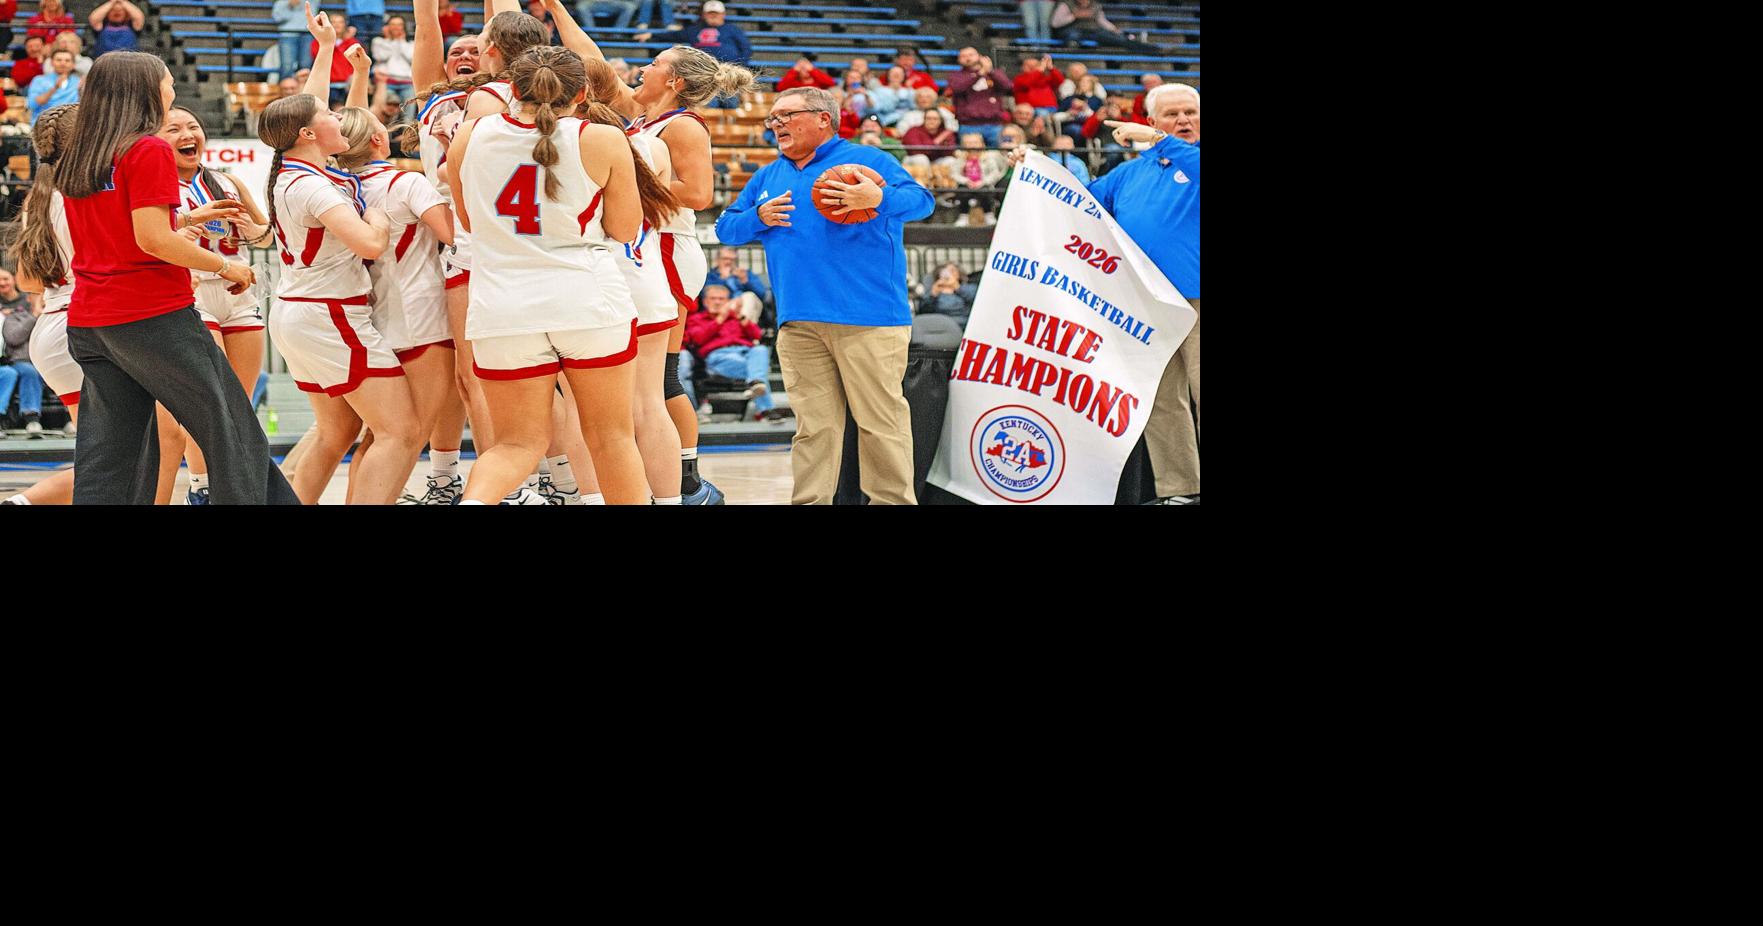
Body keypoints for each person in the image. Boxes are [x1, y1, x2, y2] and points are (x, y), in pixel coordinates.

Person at [56, 52, 297, 504]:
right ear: (147, 89)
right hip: (152, 315)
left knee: (111, 456)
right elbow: (153, 240)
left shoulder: (81, 152)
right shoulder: (147, 148)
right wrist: (227, 266)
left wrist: (185, 219)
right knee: (233, 434)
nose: (172, 90)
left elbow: (120, 229)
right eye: (168, 82)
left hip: (92, 319)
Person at [545, 0, 756, 504]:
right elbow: (594, 64)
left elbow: (700, 194)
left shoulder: (683, 125)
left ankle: (686, 481)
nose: (643, 68)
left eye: (655, 64)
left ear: (676, 81)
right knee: (644, 381)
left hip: (666, 247)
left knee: (661, 378)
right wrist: (556, 9)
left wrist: (627, 186)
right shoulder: (642, 116)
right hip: (641, 244)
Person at [447, 45, 650, 504]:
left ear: (511, 89)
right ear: (581, 95)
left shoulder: (469, 136)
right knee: (612, 439)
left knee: (515, 445)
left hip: (502, 306)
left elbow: (468, 219)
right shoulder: (601, 138)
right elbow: (624, 229)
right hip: (586, 301)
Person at [714, 86, 934, 504]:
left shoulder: (869, 160)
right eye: (772, 118)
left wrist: (878, 197)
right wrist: (757, 217)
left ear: (822, 118)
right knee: (813, 429)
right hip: (798, 323)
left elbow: (922, 201)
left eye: (785, 116)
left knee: (880, 423)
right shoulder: (767, 175)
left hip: (869, 319)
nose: (775, 124)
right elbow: (726, 227)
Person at [1014, 83, 1198, 502]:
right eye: (1172, 115)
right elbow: (1080, 203)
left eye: (1190, 112)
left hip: (1198, 300)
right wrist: (1035, 166)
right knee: (1163, 402)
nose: (1184, 120)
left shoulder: (1197, 160)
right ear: (1151, 120)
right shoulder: (1128, 174)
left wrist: (1156, 141)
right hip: (1147, 305)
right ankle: (1181, 490)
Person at [581, 53, 692, 505]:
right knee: (650, 405)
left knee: (585, 412)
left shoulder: (568, 145)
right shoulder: (652, 145)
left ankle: (590, 499)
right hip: (646, 278)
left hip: (597, 286)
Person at [161, 104, 278, 504]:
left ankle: (235, 484)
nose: (185, 133)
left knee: (237, 404)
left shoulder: (228, 181)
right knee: (208, 401)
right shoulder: (157, 185)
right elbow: (149, 234)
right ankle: (202, 486)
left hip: (239, 290)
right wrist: (191, 219)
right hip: (192, 290)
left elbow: (265, 236)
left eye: (192, 126)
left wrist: (255, 229)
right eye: (173, 128)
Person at [680, 284, 782, 421]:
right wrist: (720, 319)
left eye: (721, 299)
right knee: (756, 369)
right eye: (713, 298)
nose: (717, 302)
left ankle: (756, 384)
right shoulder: (697, 319)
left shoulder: (736, 317)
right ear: (705, 301)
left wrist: (741, 317)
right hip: (718, 357)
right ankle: (765, 408)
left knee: (761, 350)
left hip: (747, 353)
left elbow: (757, 335)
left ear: (728, 301)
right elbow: (697, 339)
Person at [635, 2, 751, 67]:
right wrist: (651, 35)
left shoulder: (733, 29)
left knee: (730, 103)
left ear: (723, 14)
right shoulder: (695, 30)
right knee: (710, 103)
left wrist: (740, 66)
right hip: (705, 72)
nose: (713, 16)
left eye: (716, 13)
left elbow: (746, 48)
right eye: (710, 13)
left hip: (728, 70)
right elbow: (674, 35)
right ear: (704, 15)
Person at [0, 270, 44, 435]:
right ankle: (31, 418)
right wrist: (34, 316)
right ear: (28, 298)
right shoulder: (14, 317)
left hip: (44, 360)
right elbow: (13, 338)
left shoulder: (49, 316)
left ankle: (72, 420)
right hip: (21, 361)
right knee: (27, 371)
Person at [947, 47, 1011, 147]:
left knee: (998, 156)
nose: (967, 58)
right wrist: (979, 74)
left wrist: (990, 71)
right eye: (963, 56)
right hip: (969, 125)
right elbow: (957, 87)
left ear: (980, 56)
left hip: (994, 124)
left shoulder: (994, 73)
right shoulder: (956, 76)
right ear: (959, 60)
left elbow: (1007, 86)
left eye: (971, 55)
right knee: (971, 157)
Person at [1050, 0, 1165, 55]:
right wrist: (1073, 16)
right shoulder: (1066, 4)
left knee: (1119, 39)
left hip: (1093, 31)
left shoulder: (1095, 6)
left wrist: (1115, 30)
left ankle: (1153, 49)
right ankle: (1073, 46)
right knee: (1072, 36)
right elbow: (1055, 23)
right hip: (1072, 30)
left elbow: (1102, 21)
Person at [702, 246, 768, 322]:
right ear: (718, 260)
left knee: (749, 296)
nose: (729, 262)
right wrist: (724, 280)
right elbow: (706, 295)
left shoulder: (745, 274)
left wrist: (745, 281)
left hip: (745, 305)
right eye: (725, 258)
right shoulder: (711, 276)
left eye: (732, 260)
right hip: (724, 306)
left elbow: (762, 294)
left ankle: (743, 328)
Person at [917, 262, 976, 328]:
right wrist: (933, 295)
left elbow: (976, 300)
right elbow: (923, 311)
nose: (948, 274)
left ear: (959, 274)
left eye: (952, 270)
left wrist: (957, 287)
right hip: (941, 325)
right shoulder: (934, 290)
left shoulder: (969, 287)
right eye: (945, 271)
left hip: (964, 324)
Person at [27, 49, 80, 121]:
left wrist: (82, 90)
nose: (63, 63)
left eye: (67, 60)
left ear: (73, 64)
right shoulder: (39, 80)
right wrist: (54, 88)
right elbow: (32, 105)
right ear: (52, 62)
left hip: (70, 124)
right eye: (59, 60)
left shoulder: (78, 82)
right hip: (44, 123)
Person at [273, 0, 314, 80]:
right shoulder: (281, 3)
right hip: (287, 34)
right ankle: (286, 90)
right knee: (287, 67)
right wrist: (289, 5)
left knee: (306, 67)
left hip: (307, 34)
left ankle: (305, 91)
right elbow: (277, 18)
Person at [373, 15, 415, 88]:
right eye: (393, 24)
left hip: (407, 81)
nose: (396, 27)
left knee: (411, 98)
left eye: (399, 25)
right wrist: (389, 40)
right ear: (387, 27)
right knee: (391, 99)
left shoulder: (411, 44)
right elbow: (380, 57)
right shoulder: (378, 41)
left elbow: (411, 59)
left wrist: (402, 42)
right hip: (386, 80)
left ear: (404, 27)